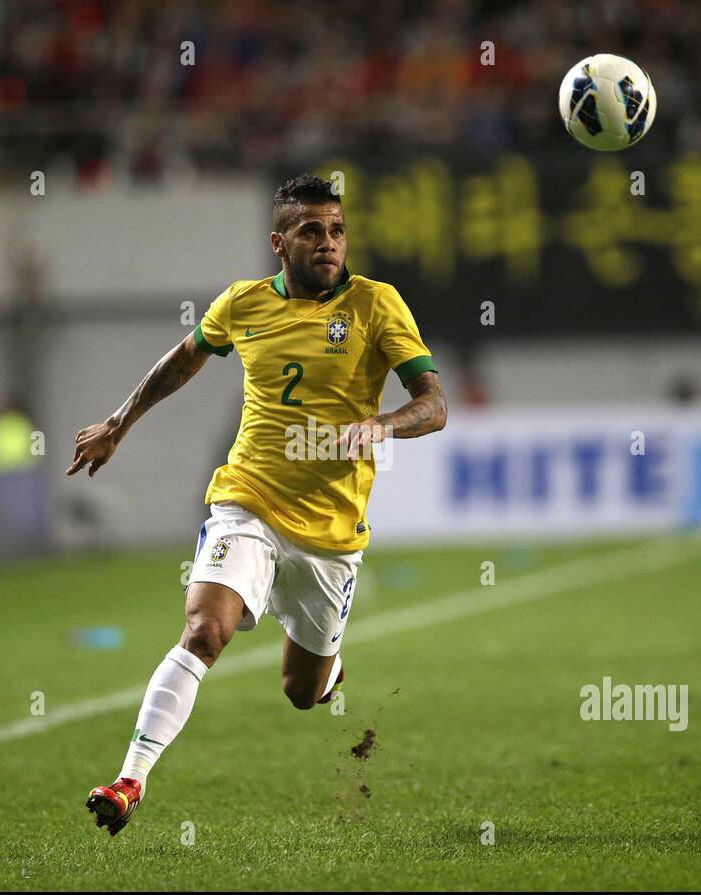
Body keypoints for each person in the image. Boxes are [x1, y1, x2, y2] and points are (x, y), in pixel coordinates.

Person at [67, 175, 448, 836]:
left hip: (332, 532)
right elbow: (182, 362)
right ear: (279, 241)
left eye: (336, 230)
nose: (328, 243)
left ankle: (325, 671)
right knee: (204, 630)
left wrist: (386, 424)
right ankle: (130, 778)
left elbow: (435, 403)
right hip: (248, 503)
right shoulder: (243, 304)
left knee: (302, 693)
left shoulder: (375, 305)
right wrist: (118, 423)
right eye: (311, 230)